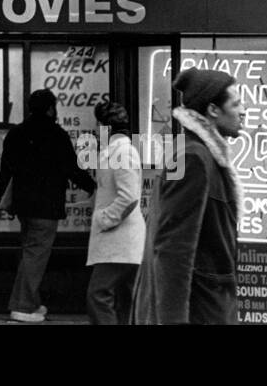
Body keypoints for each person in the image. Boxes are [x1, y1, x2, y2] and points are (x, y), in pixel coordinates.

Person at [133, 69, 244, 325]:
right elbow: (172, 250)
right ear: (213, 110)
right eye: (236, 104)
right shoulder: (193, 157)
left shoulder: (199, 154)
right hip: (200, 310)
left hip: (205, 305)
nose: (243, 111)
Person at [0, 88, 96, 323]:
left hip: (23, 205)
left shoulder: (16, 133)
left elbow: (5, 170)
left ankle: (31, 303)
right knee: (36, 255)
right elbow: (72, 167)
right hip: (46, 206)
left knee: (30, 252)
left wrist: (6, 201)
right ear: (51, 108)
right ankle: (21, 306)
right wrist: (92, 185)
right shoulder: (57, 134)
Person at [85, 100, 145, 325]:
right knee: (123, 300)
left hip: (119, 239)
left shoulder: (121, 152)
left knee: (98, 295)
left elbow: (129, 196)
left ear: (105, 127)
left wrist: (105, 219)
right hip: (123, 241)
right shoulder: (119, 150)